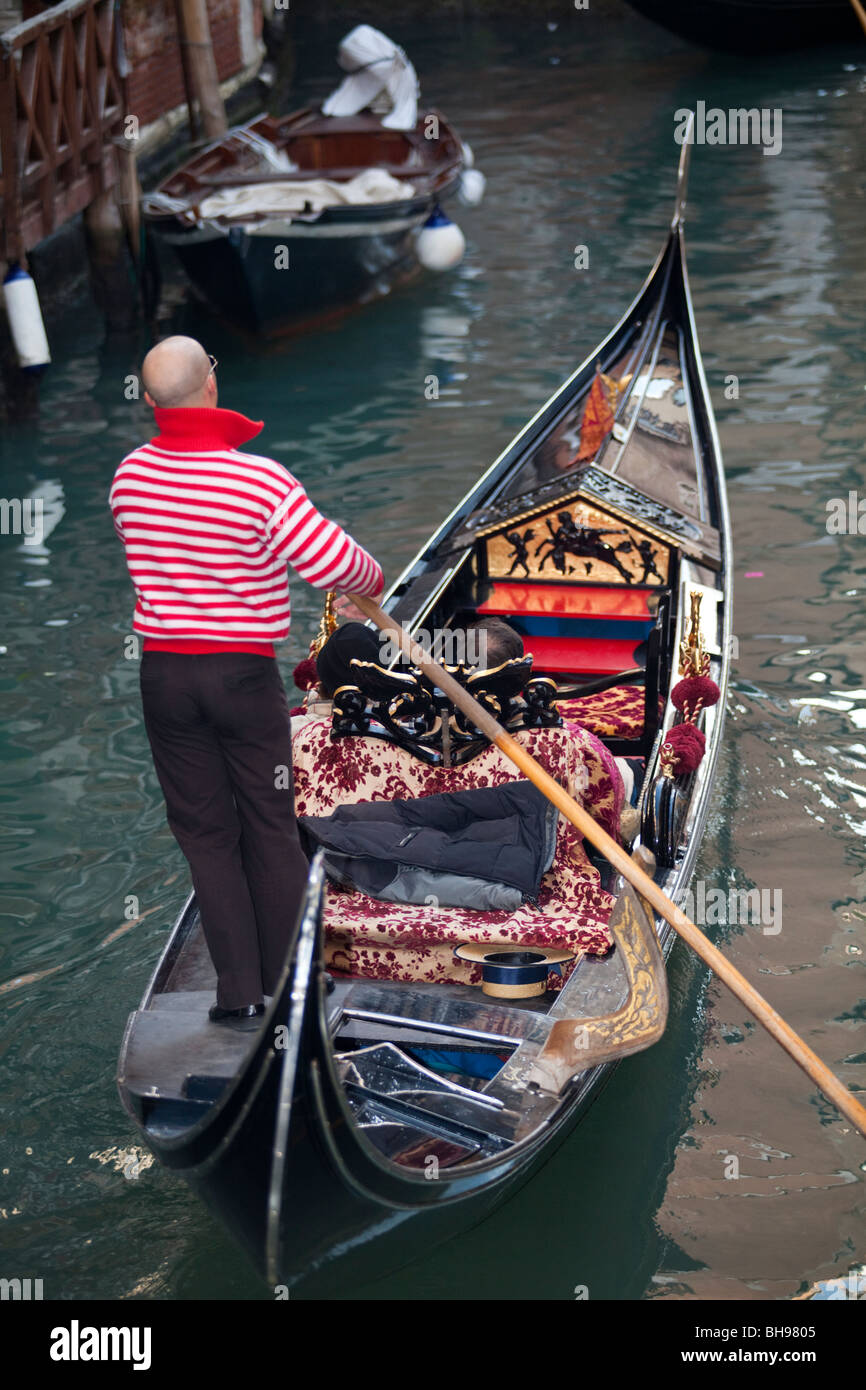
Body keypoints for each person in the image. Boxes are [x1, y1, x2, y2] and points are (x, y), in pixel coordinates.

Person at [109, 336, 384, 1030]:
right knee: (268, 826)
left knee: (206, 836)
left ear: (148, 402)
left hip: (165, 679)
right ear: (211, 386)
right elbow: (338, 564)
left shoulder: (128, 479)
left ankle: (236, 996)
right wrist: (367, 586)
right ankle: (294, 987)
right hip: (240, 677)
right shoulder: (258, 482)